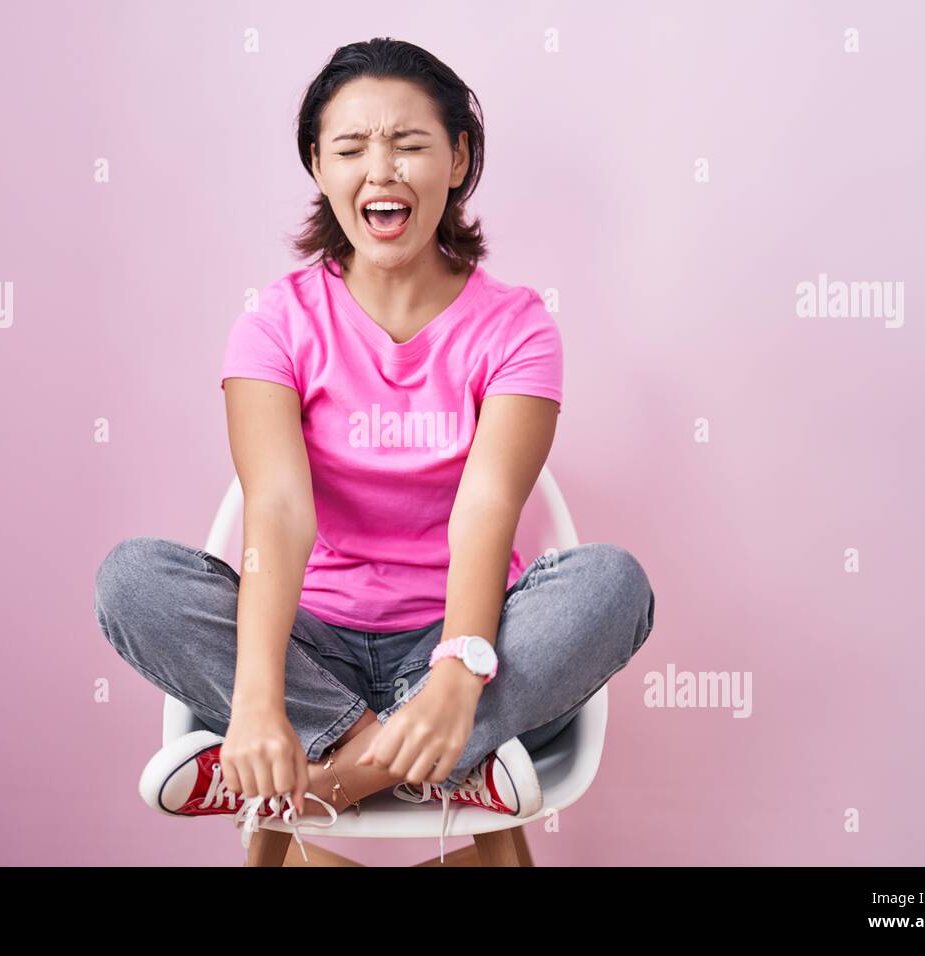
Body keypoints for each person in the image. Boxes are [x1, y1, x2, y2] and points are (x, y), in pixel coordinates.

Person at [94, 37, 656, 865]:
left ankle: (327, 781)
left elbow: (488, 507)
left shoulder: (517, 326)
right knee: (132, 579)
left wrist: (460, 671)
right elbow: (277, 510)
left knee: (613, 585)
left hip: (461, 644)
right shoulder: (275, 324)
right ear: (318, 166)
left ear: (459, 160)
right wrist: (255, 699)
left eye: (411, 145)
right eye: (352, 148)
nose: (381, 169)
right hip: (308, 649)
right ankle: (433, 763)